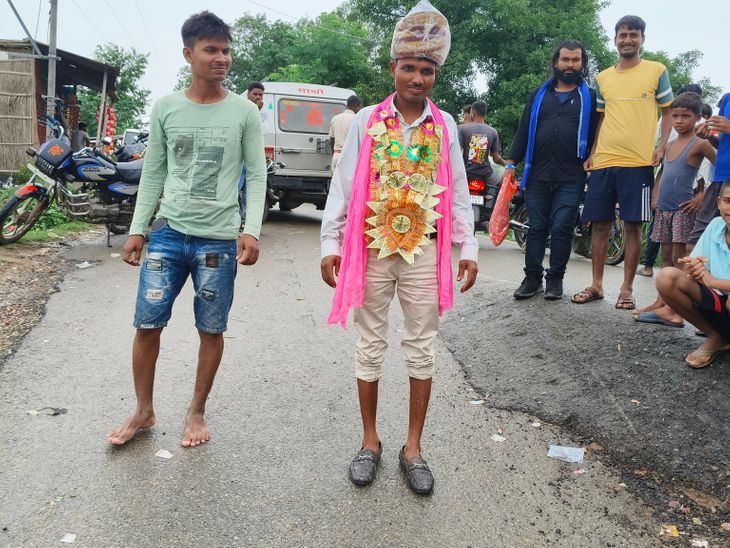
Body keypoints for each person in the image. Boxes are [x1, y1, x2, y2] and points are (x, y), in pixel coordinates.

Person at [320, 0, 478, 495]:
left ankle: (413, 448)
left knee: (421, 347)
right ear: (393, 69)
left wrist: (467, 245)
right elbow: (343, 185)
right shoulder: (368, 119)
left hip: (424, 252)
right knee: (369, 345)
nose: (417, 76)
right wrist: (330, 241)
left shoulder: (445, 125)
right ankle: (370, 442)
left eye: (426, 69)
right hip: (370, 248)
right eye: (408, 67)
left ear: (435, 74)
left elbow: (454, 186)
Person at [106, 11, 266, 447]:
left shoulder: (244, 113)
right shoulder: (166, 108)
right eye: (211, 50)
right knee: (147, 323)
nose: (221, 59)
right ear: (188, 53)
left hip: (219, 240)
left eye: (226, 51)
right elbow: (153, 172)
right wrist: (138, 229)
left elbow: (257, 174)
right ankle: (143, 410)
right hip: (169, 234)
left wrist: (250, 229)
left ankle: (195, 412)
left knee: (211, 329)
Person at [573, 15, 674, 310]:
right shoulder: (603, 77)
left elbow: (667, 112)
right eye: (622, 35)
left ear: (642, 38)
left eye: (633, 34)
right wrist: (592, 152)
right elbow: (601, 118)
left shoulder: (656, 71)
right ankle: (596, 284)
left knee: (632, 226)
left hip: (639, 163)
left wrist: (662, 146)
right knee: (600, 225)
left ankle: (626, 289)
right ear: (615, 39)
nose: (627, 39)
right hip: (604, 162)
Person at [505, 40, 598, 300]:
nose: (570, 65)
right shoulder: (538, 95)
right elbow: (523, 130)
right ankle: (532, 278)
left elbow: (597, 133)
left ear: (582, 64)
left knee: (561, 228)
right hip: (538, 174)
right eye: (565, 60)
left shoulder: (589, 97)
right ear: (556, 62)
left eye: (575, 60)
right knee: (537, 227)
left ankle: (555, 279)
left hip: (572, 175)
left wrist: (593, 154)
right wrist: (511, 163)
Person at [634, 93, 716, 327]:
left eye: (685, 116)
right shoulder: (669, 144)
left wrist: (702, 196)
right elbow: (662, 172)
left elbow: (719, 168)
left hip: (683, 211)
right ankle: (662, 302)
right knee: (667, 256)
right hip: (664, 210)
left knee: (681, 259)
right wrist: (655, 194)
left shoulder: (700, 143)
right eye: (676, 116)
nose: (679, 121)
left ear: (698, 118)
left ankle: (675, 308)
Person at [656, 180, 730, 368]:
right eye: (728, 201)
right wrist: (693, 267)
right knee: (668, 277)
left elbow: (710, 280)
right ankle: (716, 337)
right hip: (717, 301)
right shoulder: (715, 225)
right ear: (719, 202)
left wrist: (711, 280)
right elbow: (697, 260)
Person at [687, 92, 730, 246]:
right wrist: (709, 137)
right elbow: (723, 144)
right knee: (695, 244)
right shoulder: (727, 99)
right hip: (719, 180)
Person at [458, 100, 505, 186]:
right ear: (485, 115)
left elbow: (458, 153)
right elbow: (496, 158)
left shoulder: (462, 129)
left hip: (465, 173)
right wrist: (507, 164)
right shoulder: (493, 131)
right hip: (486, 174)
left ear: (473, 113)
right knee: (504, 185)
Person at [239, 81, 267, 216]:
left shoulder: (262, 112)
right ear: (248, 94)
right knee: (236, 189)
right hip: (240, 158)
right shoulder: (241, 109)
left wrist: (258, 112)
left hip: (253, 158)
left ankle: (244, 220)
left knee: (249, 192)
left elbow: (262, 132)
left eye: (260, 95)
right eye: (255, 94)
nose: (258, 97)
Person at [329, 95, 362, 172]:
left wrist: (334, 154)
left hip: (336, 156)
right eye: (360, 107)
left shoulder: (335, 118)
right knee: (349, 183)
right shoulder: (357, 119)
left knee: (336, 183)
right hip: (350, 157)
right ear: (356, 107)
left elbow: (331, 140)